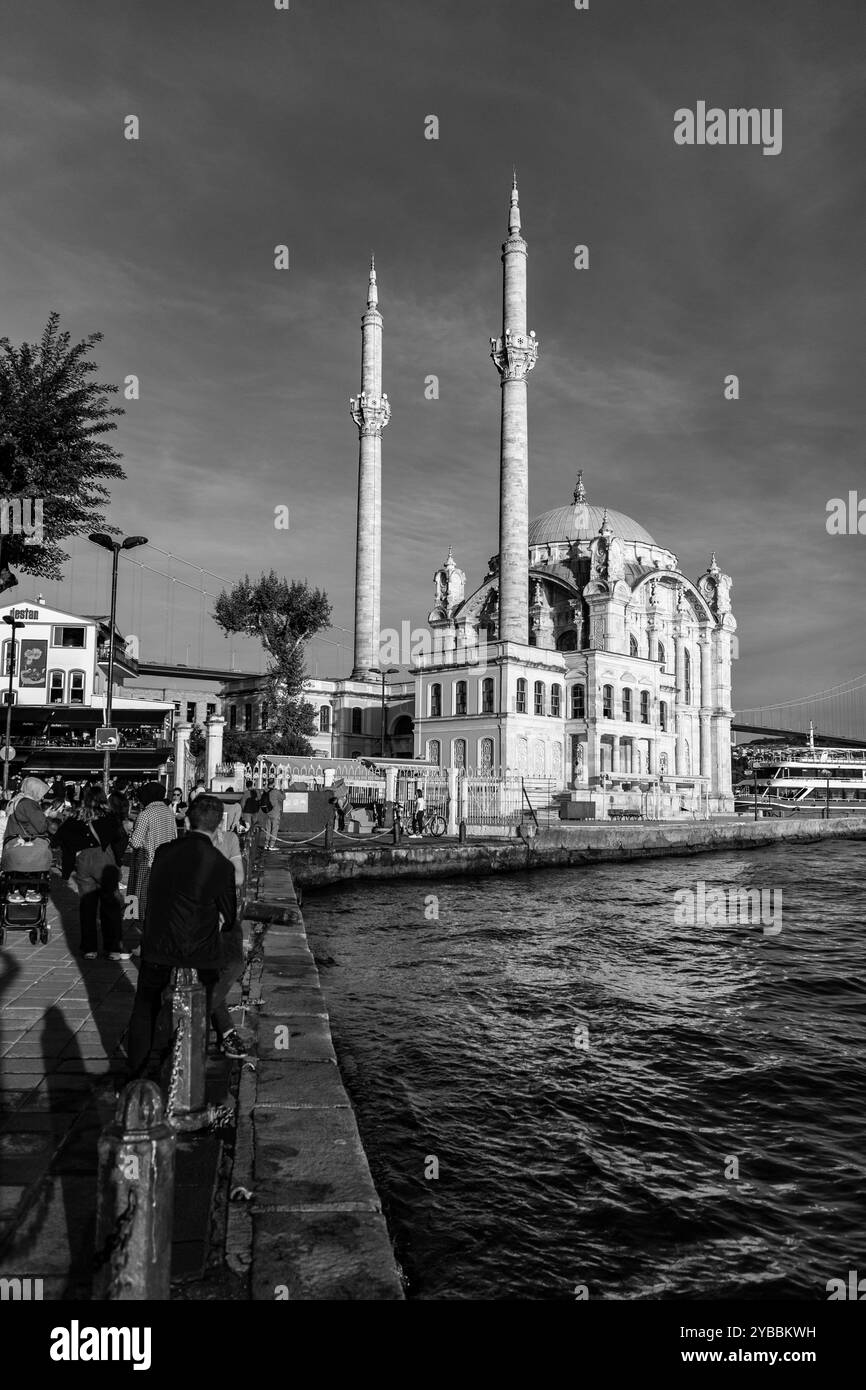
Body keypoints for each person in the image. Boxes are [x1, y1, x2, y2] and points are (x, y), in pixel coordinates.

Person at [125, 794, 237, 1081]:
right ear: (218, 826)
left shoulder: (163, 853)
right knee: (203, 1003)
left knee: (145, 1005)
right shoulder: (221, 865)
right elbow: (230, 916)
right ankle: (191, 1073)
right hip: (199, 951)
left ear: (187, 820)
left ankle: (136, 1071)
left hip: (159, 943)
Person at [71, 787, 129, 960]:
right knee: (110, 904)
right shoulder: (108, 817)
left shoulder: (78, 815)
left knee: (87, 905)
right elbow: (120, 838)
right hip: (104, 859)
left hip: (83, 859)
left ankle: (89, 948)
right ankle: (113, 948)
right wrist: (117, 861)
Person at [210, 800, 249, 1058]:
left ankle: (203, 1008)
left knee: (233, 965)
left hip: (225, 909)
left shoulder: (230, 838)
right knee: (214, 971)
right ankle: (226, 1031)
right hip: (203, 914)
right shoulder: (191, 843)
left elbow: (239, 876)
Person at [127, 782, 176, 927]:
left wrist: (129, 832)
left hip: (146, 863)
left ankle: (138, 926)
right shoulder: (169, 813)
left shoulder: (145, 814)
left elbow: (135, 842)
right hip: (167, 864)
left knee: (141, 898)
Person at [2, 776, 54, 872]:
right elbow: (41, 827)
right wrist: (46, 816)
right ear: (34, 791)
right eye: (41, 792)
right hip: (25, 845)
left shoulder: (17, 799)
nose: (42, 797)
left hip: (13, 841)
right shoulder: (29, 804)